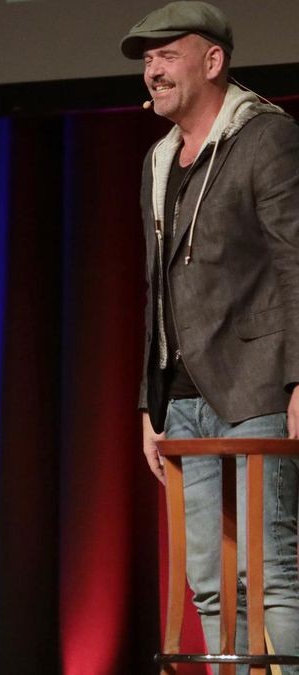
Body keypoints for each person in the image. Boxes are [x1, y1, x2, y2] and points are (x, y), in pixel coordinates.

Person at [124, 1, 299, 666]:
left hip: (257, 387)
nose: (153, 70)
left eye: (168, 54)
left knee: (269, 569)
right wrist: (150, 400)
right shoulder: (158, 160)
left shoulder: (265, 139)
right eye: (147, 60)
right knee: (207, 581)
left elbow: (294, 261)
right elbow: (157, 288)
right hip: (183, 396)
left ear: (214, 61)